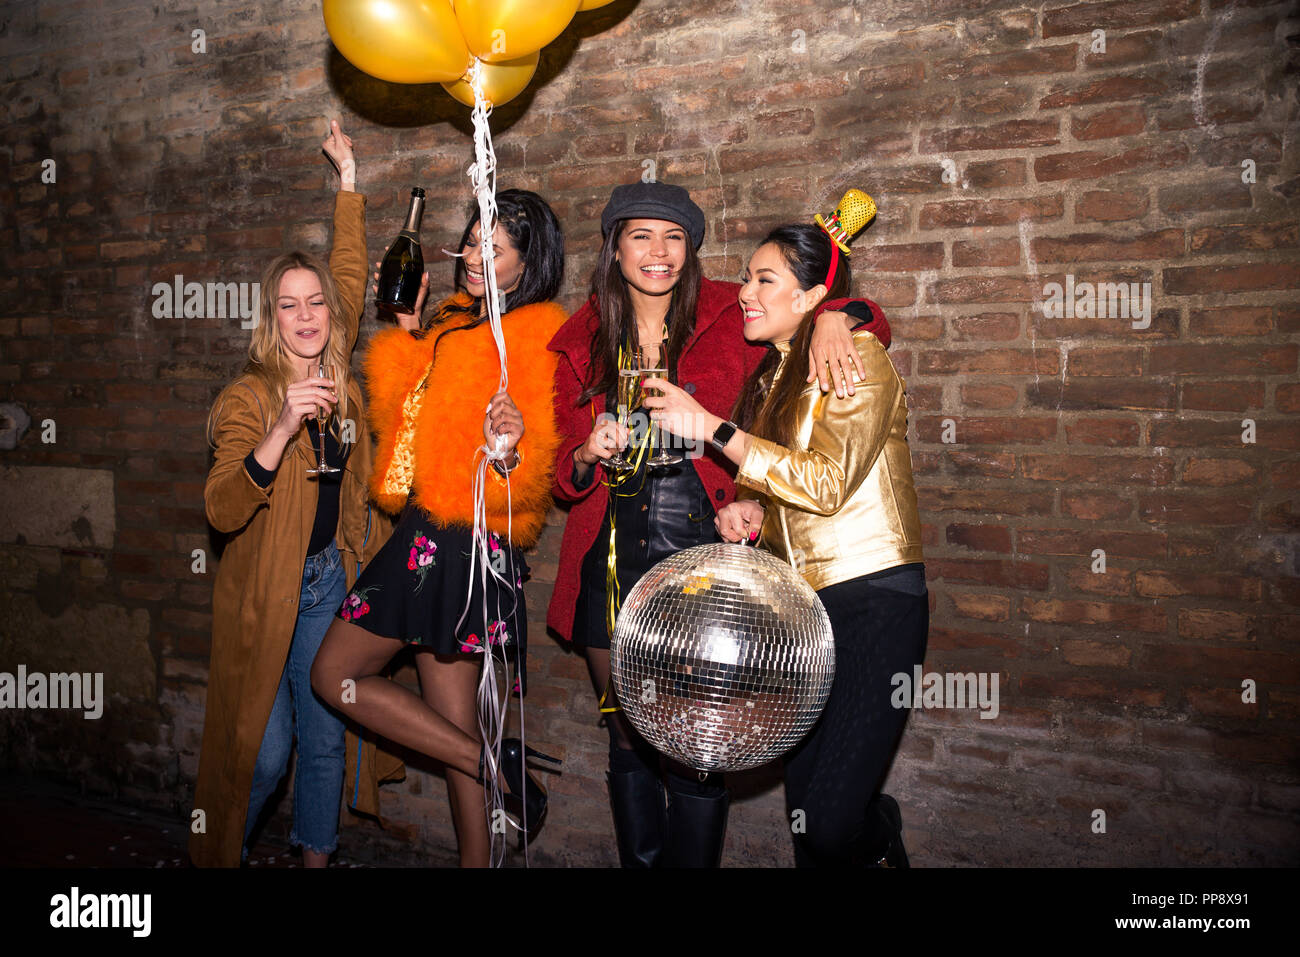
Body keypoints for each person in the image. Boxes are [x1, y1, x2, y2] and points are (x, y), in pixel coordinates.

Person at [547, 181, 889, 868]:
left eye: (674, 237)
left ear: (691, 249)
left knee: (699, 745)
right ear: (615, 247)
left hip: (705, 555)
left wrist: (837, 316)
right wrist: (586, 451)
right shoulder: (581, 337)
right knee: (626, 736)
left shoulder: (731, 309)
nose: (659, 251)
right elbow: (563, 472)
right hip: (610, 559)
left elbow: (858, 315)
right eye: (641, 235)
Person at [643, 199, 926, 868]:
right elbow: (791, 487)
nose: (744, 292)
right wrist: (752, 511)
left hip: (875, 603)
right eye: (747, 277)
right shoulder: (772, 377)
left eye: (764, 279)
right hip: (802, 615)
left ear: (814, 295)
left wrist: (711, 427)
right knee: (809, 818)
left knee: (831, 825)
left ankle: (877, 827)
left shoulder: (854, 355)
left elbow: (828, 484)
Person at [310, 189, 566, 868]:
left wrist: (510, 447)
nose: (477, 255)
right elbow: (401, 443)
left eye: (497, 248)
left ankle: (491, 774)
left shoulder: (533, 334)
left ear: (526, 263)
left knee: (334, 673)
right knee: (447, 723)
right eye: (475, 238)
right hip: (426, 526)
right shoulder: (454, 321)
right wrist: (406, 333)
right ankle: (494, 781)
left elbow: (533, 459)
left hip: (465, 535)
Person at [190, 121, 381, 868]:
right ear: (270, 319)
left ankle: (315, 859)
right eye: (288, 306)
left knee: (325, 738)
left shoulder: (341, 375)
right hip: (266, 591)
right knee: (263, 754)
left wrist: (348, 180)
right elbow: (221, 508)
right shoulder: (247, 397)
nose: (306, 316)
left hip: (330, 578)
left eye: (317, 304)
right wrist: (277, 429)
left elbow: (351, 269)